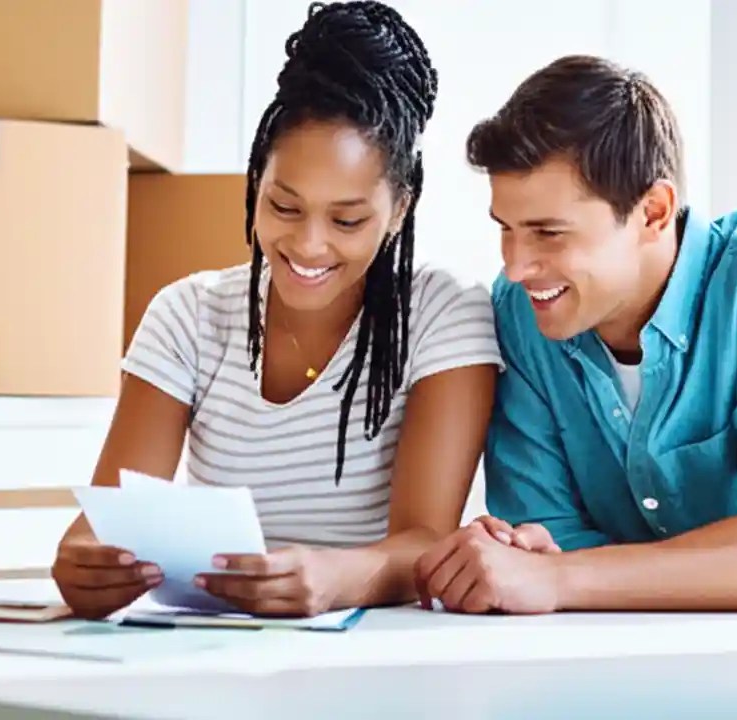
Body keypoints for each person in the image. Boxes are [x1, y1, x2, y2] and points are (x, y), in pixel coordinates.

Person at [53, 1, 503, 620]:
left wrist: (335, 576)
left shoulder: (443, 315)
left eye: (347, 219)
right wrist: (86, 564)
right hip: (214, 646)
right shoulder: (189, 316)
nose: (309, 245)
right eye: (285, 207)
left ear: (400, 209)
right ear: (256, 182)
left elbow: (425, 540)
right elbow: (104, 523)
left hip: (378, 648)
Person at [415, 55, 737, 614]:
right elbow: (543, 539)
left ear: (653, 212)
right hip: (614, 665)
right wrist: (553, 571)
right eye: (506, 229)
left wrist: (564, 579)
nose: (517, 267)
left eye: (548, 233)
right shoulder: (519, 313)